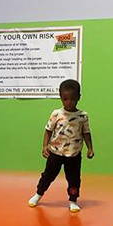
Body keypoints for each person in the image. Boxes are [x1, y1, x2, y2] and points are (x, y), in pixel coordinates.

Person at [28, 79, 94, 213]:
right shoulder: (56, 114)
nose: (69, 102)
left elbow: (86, 132)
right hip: (55, 153)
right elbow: (48, 130)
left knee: (74, 179)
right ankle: (38, 194)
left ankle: (73, 200)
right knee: (48, 175)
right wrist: (44, 146)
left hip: (74, 155)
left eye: (72, 99)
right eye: (65, 99)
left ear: (79, 97)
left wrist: (90, 148)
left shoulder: (83, 116)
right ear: (60, 97)